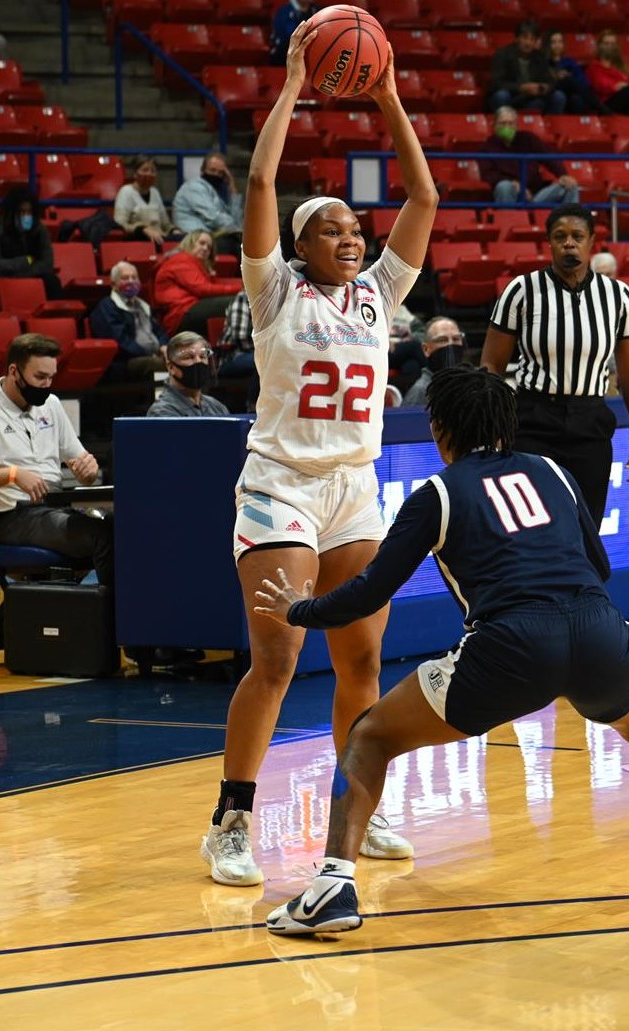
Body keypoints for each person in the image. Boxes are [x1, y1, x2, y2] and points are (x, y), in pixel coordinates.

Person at [255, 365, 629, 935]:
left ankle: (333, 888)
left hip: (512, 641)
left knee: (370, 736)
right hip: (596, 625)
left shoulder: (437, 492)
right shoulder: (553, 472)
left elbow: (369, 592)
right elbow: (600, 566)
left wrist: (299, 610)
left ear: (440, 430)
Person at [203, 20, 437, 888]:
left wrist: (386, 97)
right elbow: (262, 176)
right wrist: (298, 82)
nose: (350, 236)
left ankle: (356, 810)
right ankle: (230, 821)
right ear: (298, 245)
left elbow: (424, 199)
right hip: (279, 487)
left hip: (352, 489)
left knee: (364, 660)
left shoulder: (378, 293)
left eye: (353, 228)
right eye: (331, 228)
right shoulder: (271, 291)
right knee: (275, 660)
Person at [481, 204, 629, 525]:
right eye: (560, 236)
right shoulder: (521, 290)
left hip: (590, 422)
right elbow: (492, 365)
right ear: (549, 243)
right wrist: (494, 429)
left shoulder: (618, 296)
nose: (568, 243)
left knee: (584, 530)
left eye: (577, 236)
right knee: (530, 529)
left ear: (591, 242)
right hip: (533, 420)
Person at [0, 333, 112, 583]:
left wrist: (88, 471)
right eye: (39, 377)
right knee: (102, 533)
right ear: (14, 371)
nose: (46, 384)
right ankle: (116, 616)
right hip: (16, 518)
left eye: (51, 377)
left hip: (58, 507)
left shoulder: (51, 404)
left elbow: (82, 467)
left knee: (121, 524)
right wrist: (11, 474)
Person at [482, 107, 579, 205]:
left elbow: (549, 157)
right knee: (504, 186)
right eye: (503, 123)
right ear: (494, 125)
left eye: (511, 123)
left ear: (516, 125)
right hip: (512, 192)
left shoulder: (528, 138)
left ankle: (571, 219)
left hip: (536, 195)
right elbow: (488, 174)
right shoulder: (487, 146)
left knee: (570, 186)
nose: (507, 127)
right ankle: (508, 219)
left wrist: (563, 174)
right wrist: (513, 183)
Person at [90, 260, 169, 380]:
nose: (131, 281)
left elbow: (159, 331)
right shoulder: (107, 306)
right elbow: (120, 341)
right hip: (126, 360)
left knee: (187, 360)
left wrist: (164, 346)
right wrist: (149, 354)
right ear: (113, 284)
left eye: (134, 277)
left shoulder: (143, 305)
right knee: (160, 365)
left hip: (153, 355)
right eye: (125, 278)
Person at [154, 229, 242, 336]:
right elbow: (203, 289)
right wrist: (241, 288)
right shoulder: (181, 259)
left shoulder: (194, 263)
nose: (205, 248)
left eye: (209, 247)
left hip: (189, 309)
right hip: (180, 314)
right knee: (241, 300)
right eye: (202, 243)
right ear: (190, 243)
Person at [0, 185, 58, 289]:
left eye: (29, 212)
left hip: (30, 277)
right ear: (11, 213)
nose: (26, 216)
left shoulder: (40, 229)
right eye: (22, 212)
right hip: (3, 279)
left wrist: (22, 276)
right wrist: (27, 260)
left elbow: (47, 264)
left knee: (52, 281)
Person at [145, 332, 229, 418]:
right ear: (171, 367)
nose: (198, 362)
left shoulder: (218, 407)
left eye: (203, 356)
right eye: (188, 357)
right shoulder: (162, 413)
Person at [173, 153, 243, 256]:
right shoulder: (194, 187)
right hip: (192, 239)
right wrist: (237, 229)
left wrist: (231, 186)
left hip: (210, 237)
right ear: (202, 170)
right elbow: (214, 218)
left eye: (220, 173)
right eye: (212, 170)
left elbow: (236, 220)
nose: (216, 175)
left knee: (242, 244)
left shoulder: (214, 195)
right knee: (235, 245)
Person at [489, 20, 564, 113]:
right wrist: (521, 87)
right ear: (517, 39)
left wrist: (544, 87)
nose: (528, 43)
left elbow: (551, 81)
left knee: (558, 96)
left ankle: (551, 126)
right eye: (525, 38)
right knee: (501, 95)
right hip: (512, 95)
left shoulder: (539, 56)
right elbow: (495, 83)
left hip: (533, 98)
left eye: (532, 39)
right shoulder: (503, 54)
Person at [394, 316, 465, 406]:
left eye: (456, 339)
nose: (451, 344)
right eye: (442, 340)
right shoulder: (420, 392)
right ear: (426, 349)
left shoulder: (469, 384)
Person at [114, 155, 177, 247]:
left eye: (152, 171)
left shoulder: (155, 192)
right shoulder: (126, 191)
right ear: (135, 173)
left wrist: (174, 230)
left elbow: (165, 224)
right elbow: (120, 223)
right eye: (145, 170)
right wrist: (143, 229)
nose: (149, 174)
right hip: (139, 239)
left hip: (160, 237)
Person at [545, 32, 604, 115]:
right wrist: (556, 76)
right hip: (554, 91)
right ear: (548, 44)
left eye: (560, 42)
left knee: (577, 98)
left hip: (571, 94)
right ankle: (600, 108)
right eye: (553, 42)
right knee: (567, 82)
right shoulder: (543, 62)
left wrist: (570, 77)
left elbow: (583, 83)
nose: (557, 45)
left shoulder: (569, 62)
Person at [216, 287, 255, 378]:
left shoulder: (272, 301)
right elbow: (240, 338)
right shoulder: (243, 298)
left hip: (257, 354)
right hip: (234, 356)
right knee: (269, 362)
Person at [267, 0, 310, 65]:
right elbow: (290, 35)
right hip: (283, 60)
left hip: (307, 58)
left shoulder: (316, 10)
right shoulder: (283, 12)